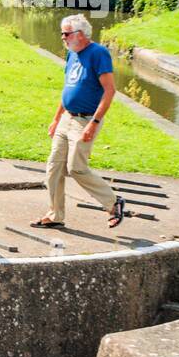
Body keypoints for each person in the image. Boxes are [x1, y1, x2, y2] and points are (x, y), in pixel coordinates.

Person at [31, 14, 126, 230]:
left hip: (85, 120)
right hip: (67, 118)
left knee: (76, 168)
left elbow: (110, 91)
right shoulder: (72, 54)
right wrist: (56, 119)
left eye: (66, 33)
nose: (62, 37)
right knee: (54, 167)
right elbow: (69, 90)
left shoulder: (98, 53)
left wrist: (94, 122)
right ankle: (55, 214)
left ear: (80, 34)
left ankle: (113, 203)